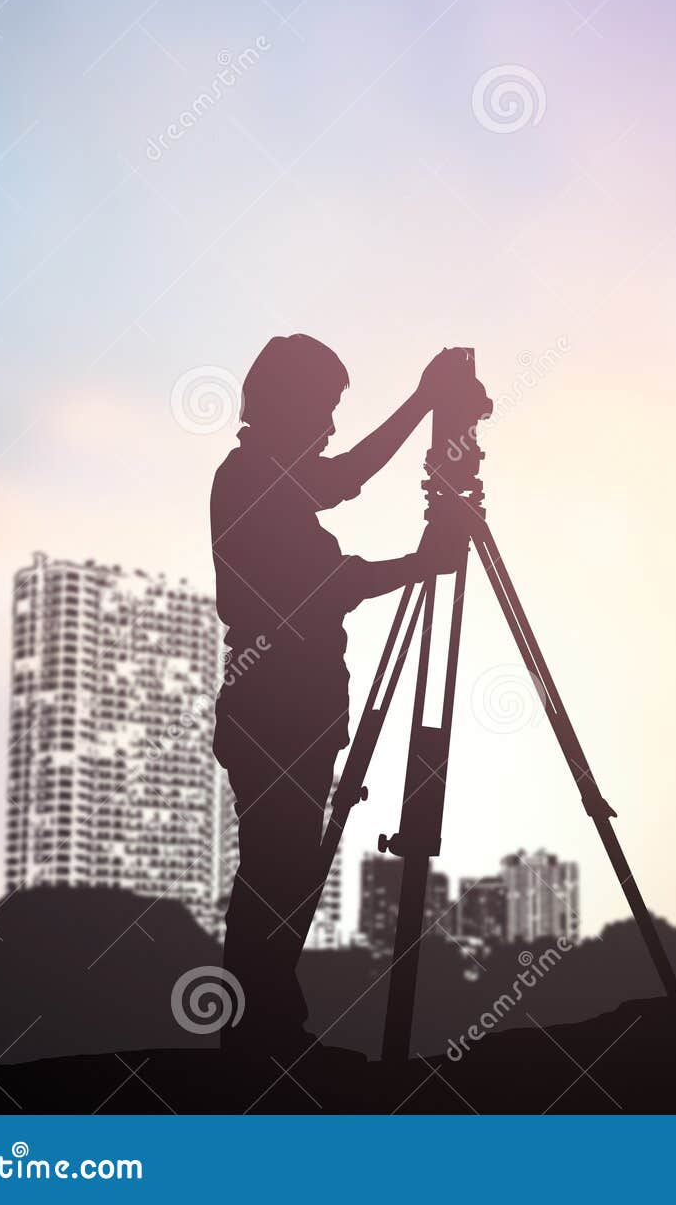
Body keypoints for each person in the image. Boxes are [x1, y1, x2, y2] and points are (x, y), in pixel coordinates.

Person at [209, 333, 470, 1055]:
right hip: (275, 709)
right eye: (322, 410)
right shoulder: (249, 479)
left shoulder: (267, 474)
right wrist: (423, 563)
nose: (328, 427)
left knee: (283, 866)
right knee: (277, 868)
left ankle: (262, 1025)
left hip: (294, 707)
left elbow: (341, 480)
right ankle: (260, 1032)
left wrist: (422, 402)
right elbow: (326, 585)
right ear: (286, 407)